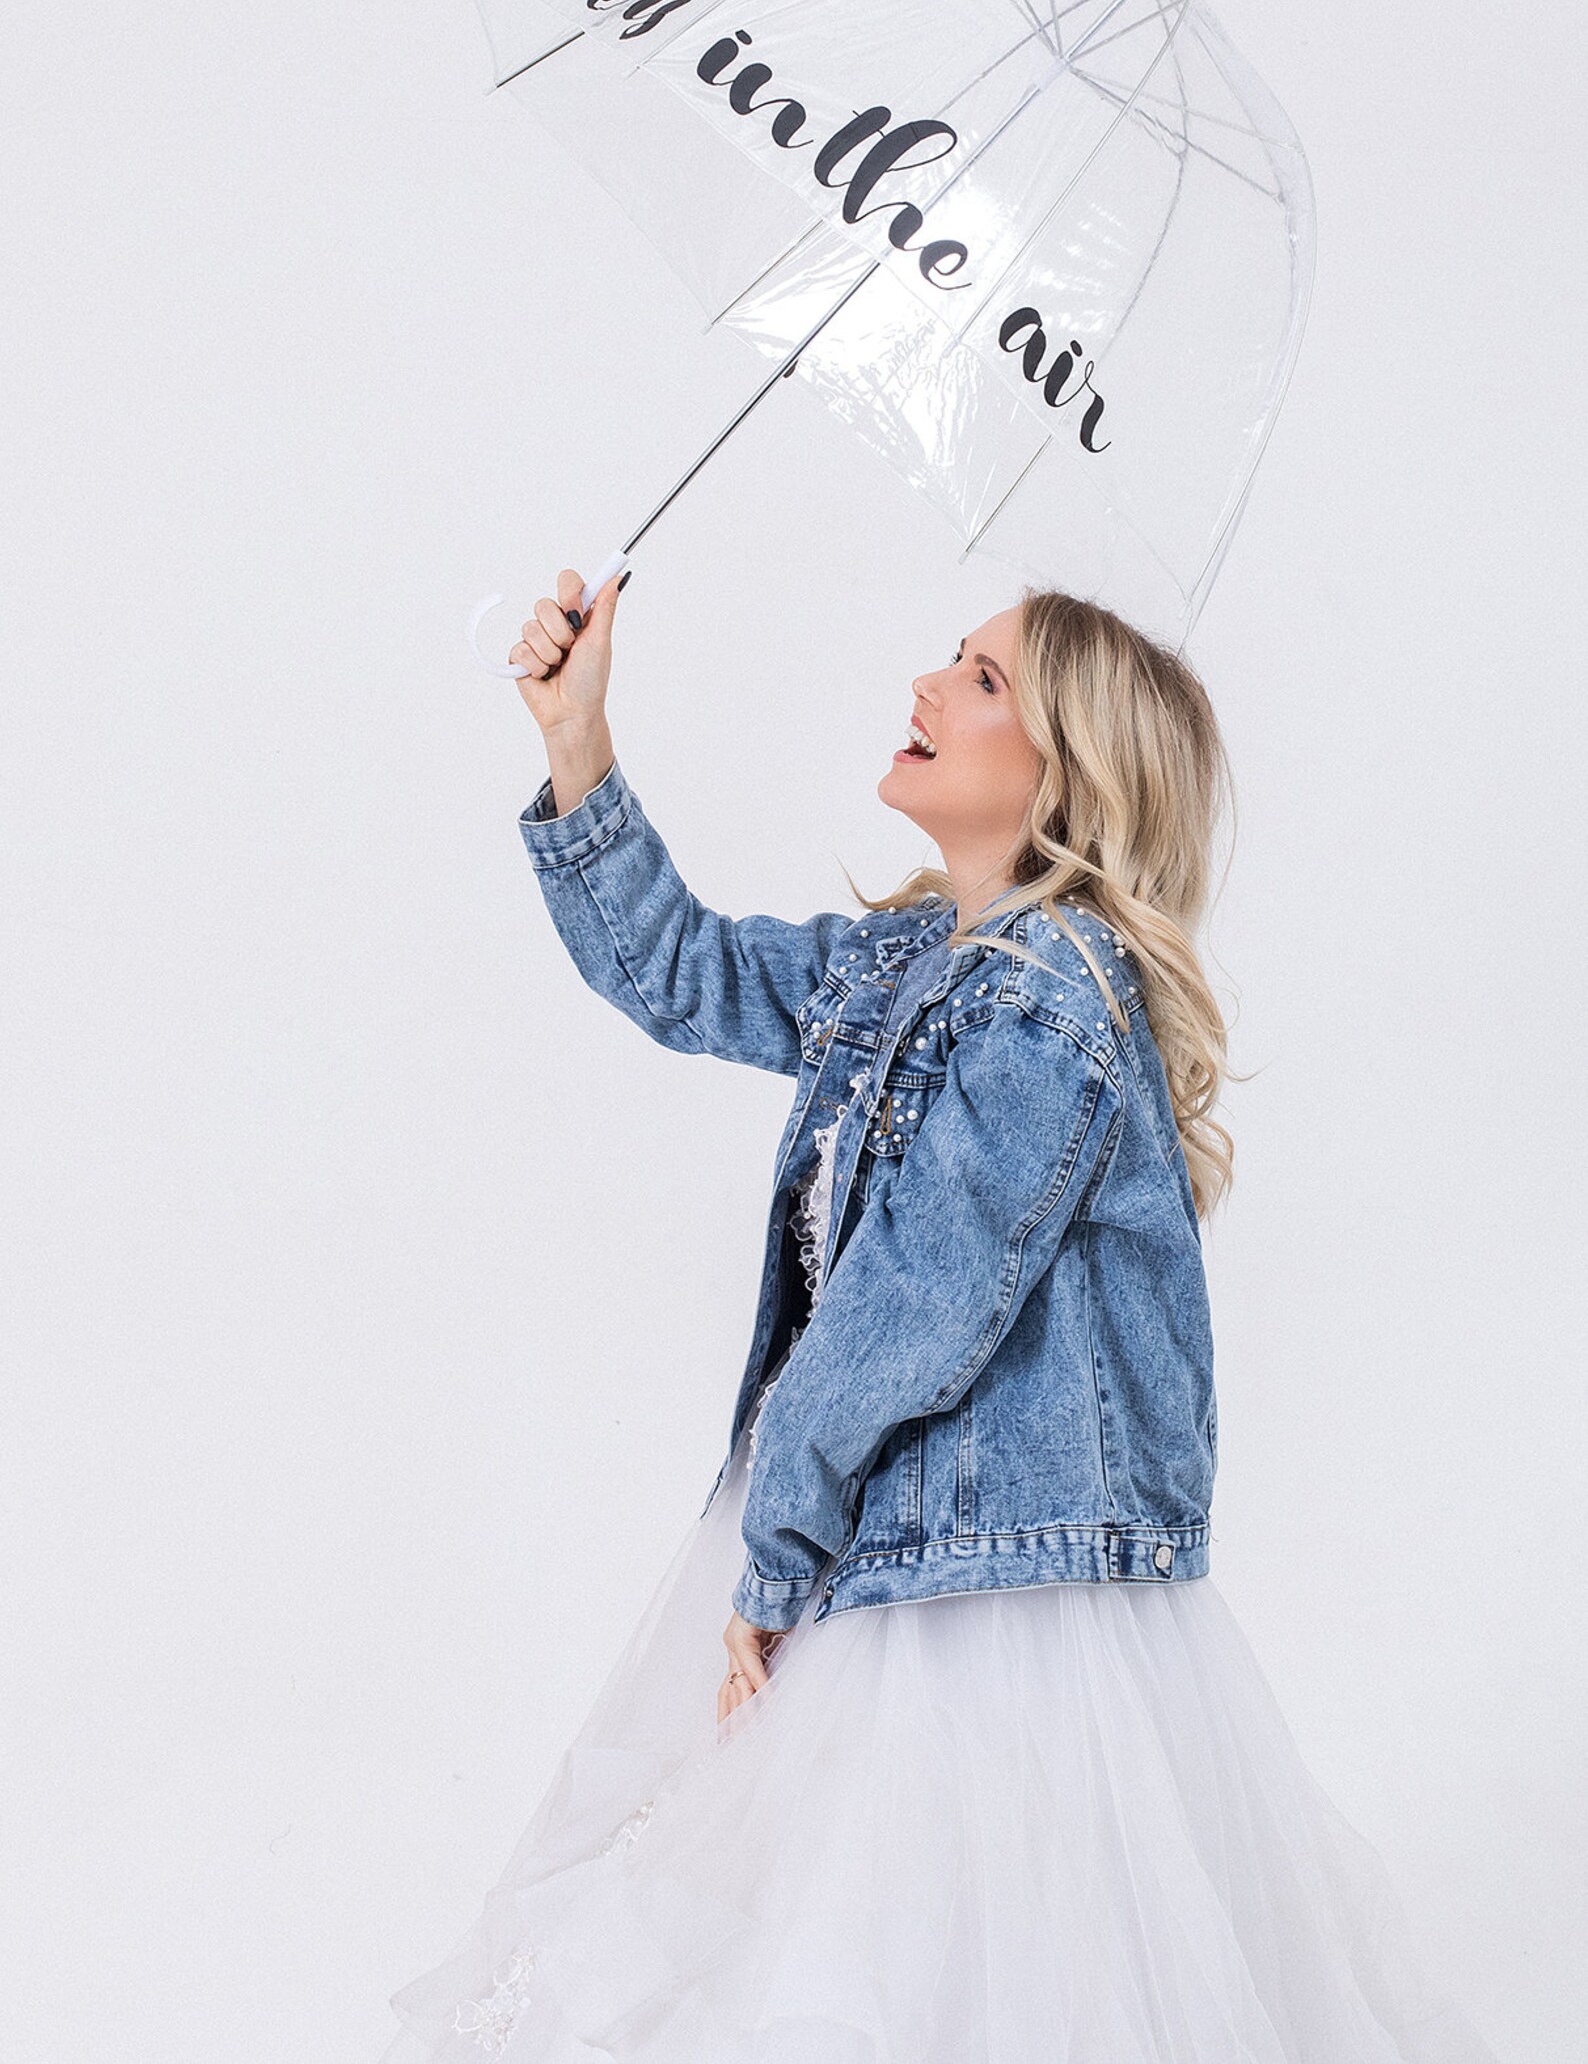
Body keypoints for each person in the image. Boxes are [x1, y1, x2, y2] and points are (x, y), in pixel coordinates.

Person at [379, 569, 1499, 2063]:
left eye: (981, 680)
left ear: (1067, 772)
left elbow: (911, 1301)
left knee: (951, 1975)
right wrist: (576, 739)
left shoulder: (1053, 1002)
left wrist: (777, 1558)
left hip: (987, 1597)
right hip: (876, 1544)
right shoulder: (906, 965)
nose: (926, 683)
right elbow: (682, 972)